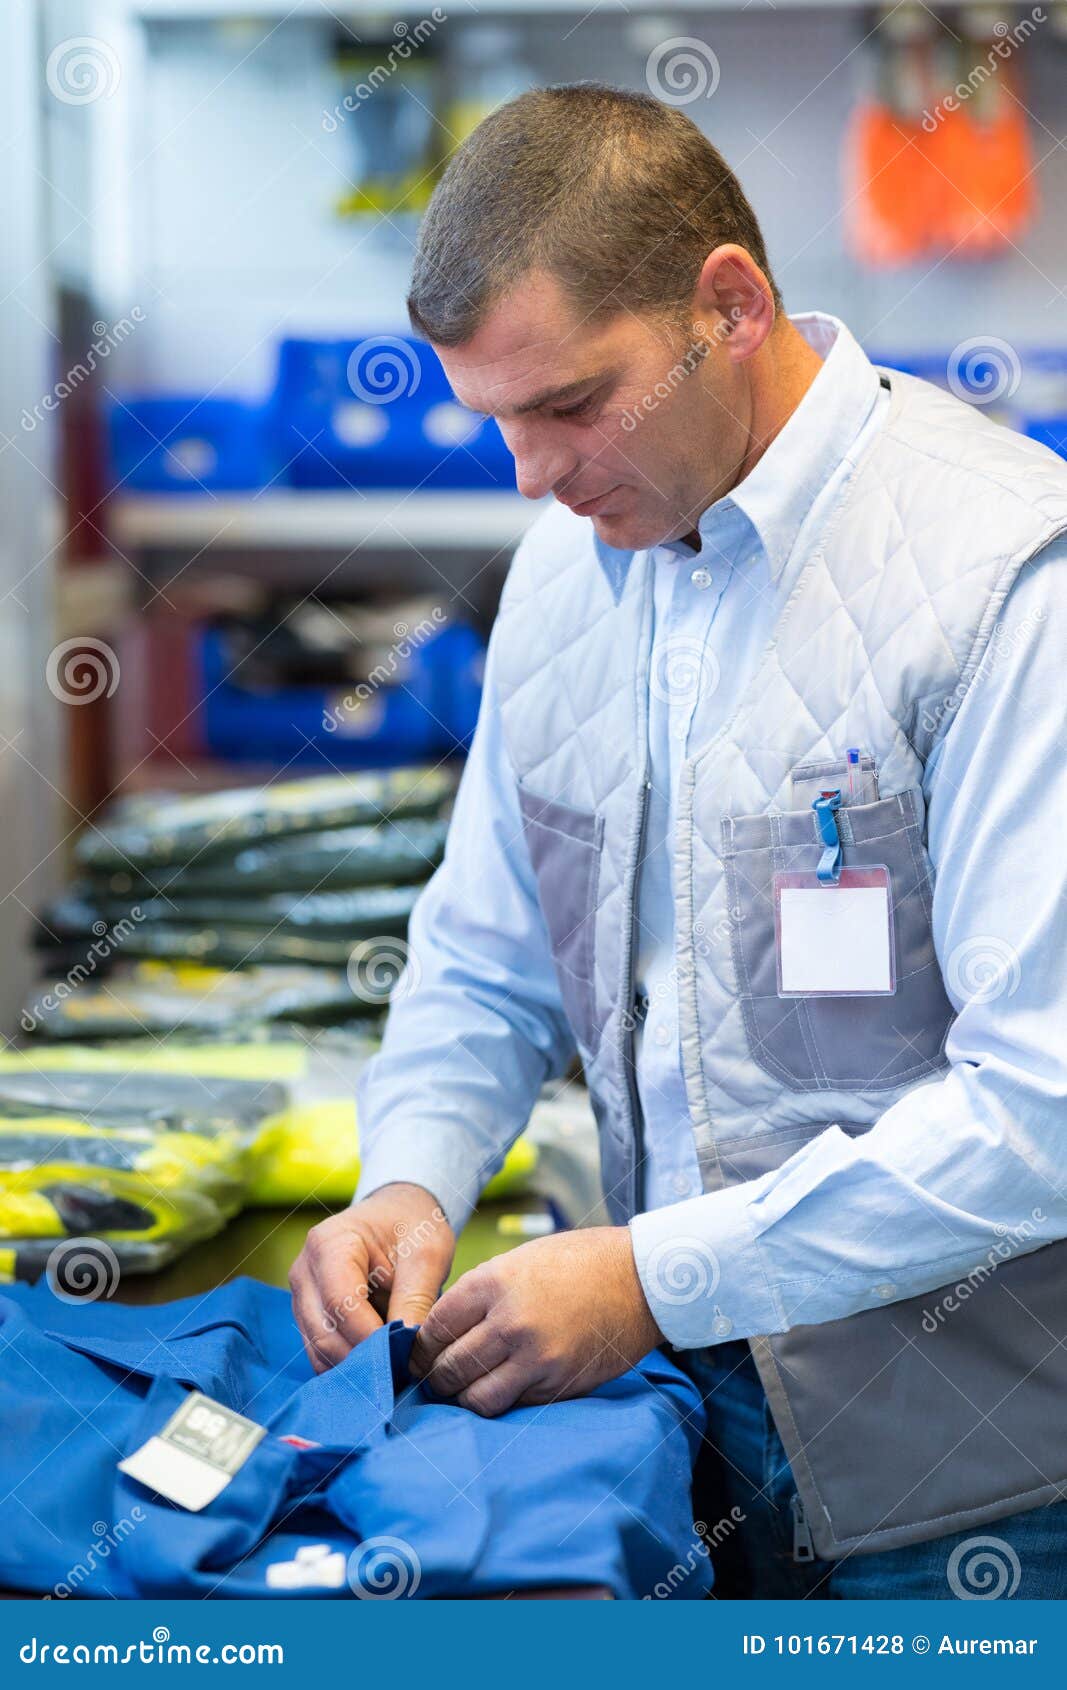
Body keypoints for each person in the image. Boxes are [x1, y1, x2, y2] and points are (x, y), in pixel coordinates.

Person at [290, 84, 1067, 1598]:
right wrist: (413, 1180)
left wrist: (652, 1276)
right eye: (498, 421)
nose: (531, 475)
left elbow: (1045, 1107)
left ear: (730, 303)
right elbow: (482, 964)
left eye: (573, 404)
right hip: (680, 1442)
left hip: (985, 1491)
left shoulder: (1005, 580)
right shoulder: (570, 579)